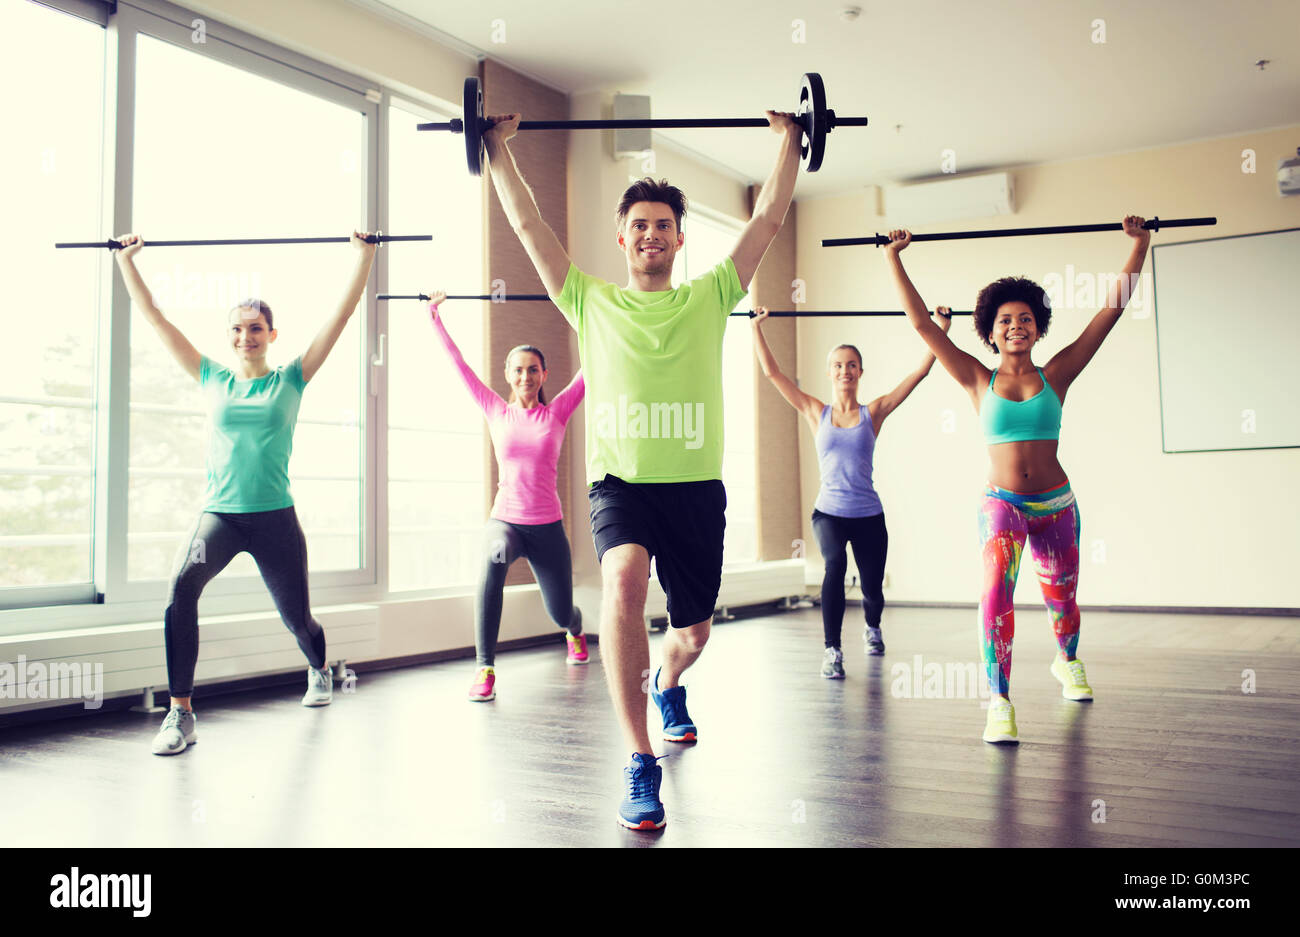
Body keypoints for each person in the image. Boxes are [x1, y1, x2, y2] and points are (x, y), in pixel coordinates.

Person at [481, 105, 800, 829]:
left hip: (694, 490)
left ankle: (667, 679)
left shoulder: (712, 294)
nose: (651, 233)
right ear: (622, 238)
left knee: (694, 632)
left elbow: (771, 218)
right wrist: (499, 150)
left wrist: (789, 143)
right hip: (619, 484)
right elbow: (531, 229)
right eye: (639, 224)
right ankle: (638, 758)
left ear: (680, 240)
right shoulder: (589, 299)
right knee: (622, 578)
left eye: (663, 224)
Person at [882, 217, 1151, 743]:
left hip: (1057, 505)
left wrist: (1138, 245)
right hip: (1001, 504)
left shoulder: (1060, 372)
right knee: (993, 597)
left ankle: (1067, 660)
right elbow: (922, 326)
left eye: (1025, 318)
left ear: (1037, 326)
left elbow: (1111, 311)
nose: (1015, 326)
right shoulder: (975, 377)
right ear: (990, 329)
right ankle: (999, 700)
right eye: (1005, 320)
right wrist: (894, 258)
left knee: (1063, 602)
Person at [113, 231, 378, 755]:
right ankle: (180, 712)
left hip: (275, 518)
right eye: (236, 329)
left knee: (297, 619)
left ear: (272, 334)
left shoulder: (292, 378)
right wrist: (127, 262)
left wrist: (365, 256)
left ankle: (319, 669)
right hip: (222, 516)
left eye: (254, 328)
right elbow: (157, 319)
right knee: (180, 589)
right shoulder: (210, 375)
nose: (244, 336)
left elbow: (340, 318)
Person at [750, 304, 950, 677]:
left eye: (851, 365)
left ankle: (872, 628)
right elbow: (772, 373)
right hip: (828, 513)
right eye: (838, 365)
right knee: (834, 565)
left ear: (860, 372)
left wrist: (941, 328)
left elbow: (919, 372)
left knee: (873, 588)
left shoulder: (873, 412)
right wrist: (756, 327)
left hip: (868, 515)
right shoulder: (815, 411)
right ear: (830, 372)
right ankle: (832, 651)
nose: (845, 370)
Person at [425, 291, 588, 701]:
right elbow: (458, 365)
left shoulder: (558, 411)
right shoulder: (495, 409)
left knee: (560, 610)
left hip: (548, 527)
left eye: (533, 370)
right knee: (493, 556)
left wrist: (601, 317)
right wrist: (434, 315)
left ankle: (575, 629)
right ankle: (485, 668)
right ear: (508, 374)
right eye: (518, 370)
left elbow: (596, 366)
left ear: (544, 374)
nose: (525, 377)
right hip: (508, 522)